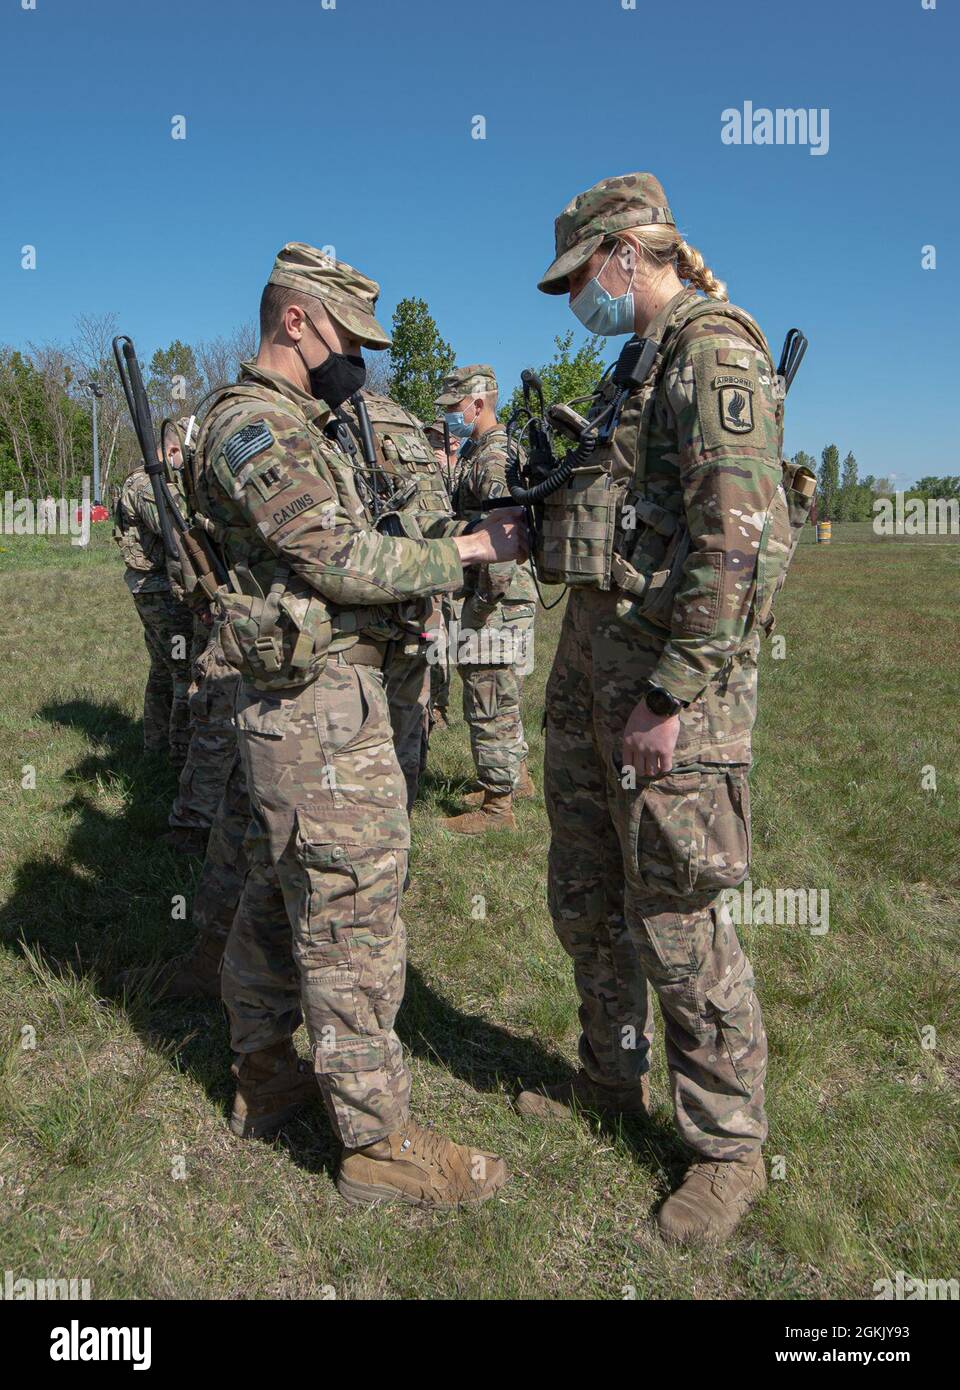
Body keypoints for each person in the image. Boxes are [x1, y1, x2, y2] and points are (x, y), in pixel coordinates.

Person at [192, 242, 526, 1208]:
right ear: (295, 319)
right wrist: (467, 547)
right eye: (348, 337)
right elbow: (335, 558)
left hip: (314, 702)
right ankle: (378, 1144)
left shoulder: (304, 421)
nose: (361, 361)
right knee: (353, 918)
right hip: (317, 712)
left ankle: (266, 1075)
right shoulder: (255, 428)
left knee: (272, 890)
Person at [516, 173, 805, 1246]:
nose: (578, 299)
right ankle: (610, 1076)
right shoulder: (634, 365)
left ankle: (727, 1150)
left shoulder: (713, 350)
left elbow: (745, 546)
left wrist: (672, 695)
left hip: (668, 703)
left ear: (623, 254)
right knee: (588, 892)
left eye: (580, 277)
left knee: (679, 922)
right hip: (596, 677)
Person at [435, 367, 537, 834]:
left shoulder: (492, 457)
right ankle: (516, 778)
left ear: (478, 405)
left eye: (454, 409)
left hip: (494, 599)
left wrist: (478, 607)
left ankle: (498, 808)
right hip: (503, 597)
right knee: (504, 691)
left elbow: (505, 535)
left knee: (489, 697)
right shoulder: (495, 449)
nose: (448, 419)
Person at [162, 418, 241, 856]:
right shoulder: (211, 488)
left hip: (261, 610)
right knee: (214, 710)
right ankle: (192, 825)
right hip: (233, 607)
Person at [112, 451, 192, 768]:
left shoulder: (145, 479)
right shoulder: (147, 483)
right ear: (171, 452)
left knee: (162, 668)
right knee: (183, 669)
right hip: (159, 590)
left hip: (152, 589)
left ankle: (156, 747)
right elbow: (174, 531)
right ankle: (180, 754)